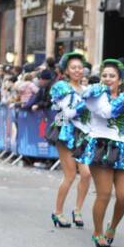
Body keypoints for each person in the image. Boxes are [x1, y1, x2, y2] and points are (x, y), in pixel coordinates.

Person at [77, 58, 124, 247]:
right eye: (105, 75)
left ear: (120, 79)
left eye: (112, 76)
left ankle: (113, 226)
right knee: (104, 194)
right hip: (102, 146)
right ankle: (97, 231)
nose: (108, 79)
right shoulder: (96, 94)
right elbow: (108, 113)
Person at [48, 51, 92, 228]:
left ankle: (78, 209)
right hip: (66, 132)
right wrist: (86, 103)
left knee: (87, 173)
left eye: (80, 67)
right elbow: (67, 113)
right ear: (66, 70)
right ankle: (57, 212)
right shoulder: (61, 87)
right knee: (70, 174)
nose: (77, 70)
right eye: (73, 67)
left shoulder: (87, 90)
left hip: (84, 134)